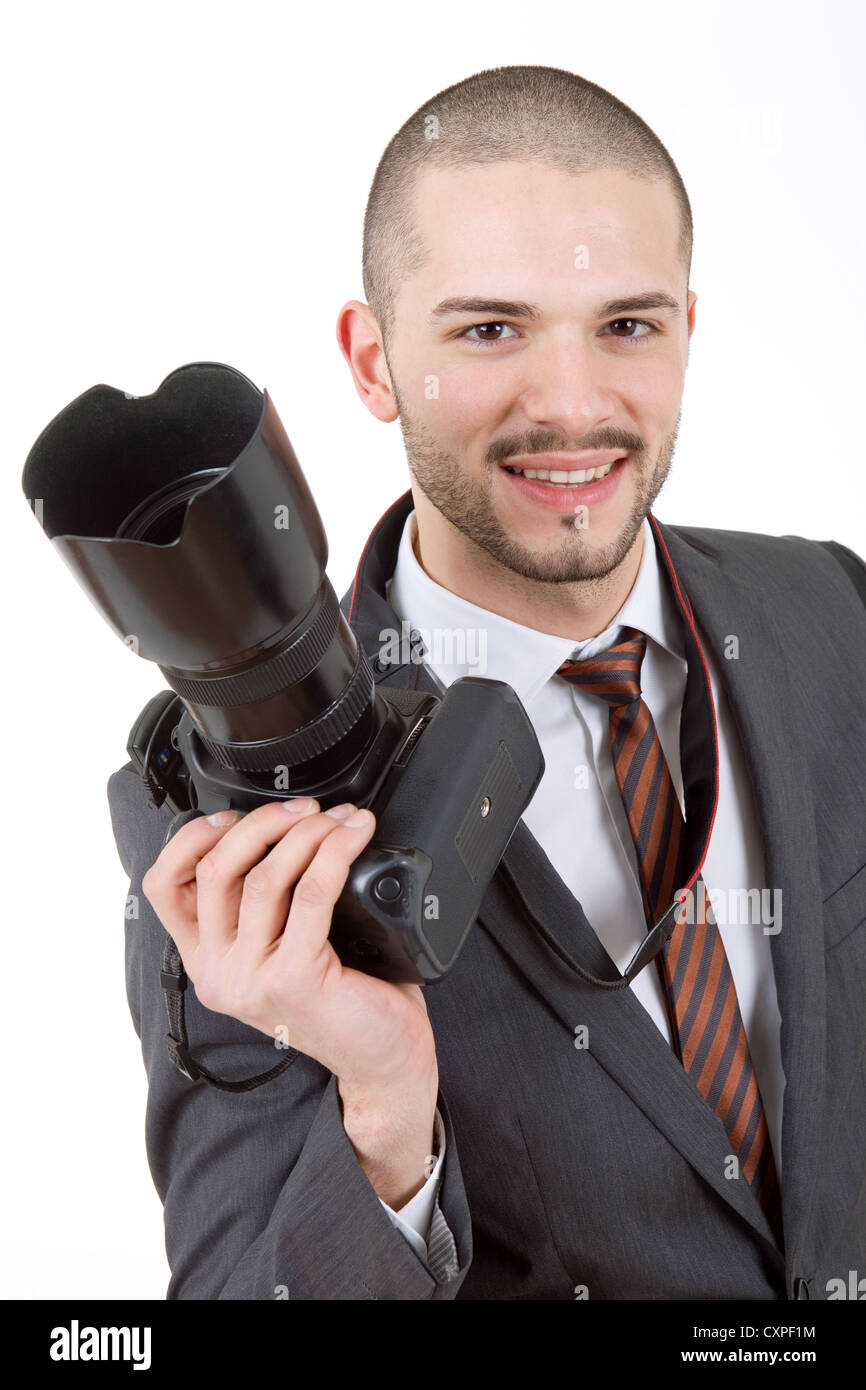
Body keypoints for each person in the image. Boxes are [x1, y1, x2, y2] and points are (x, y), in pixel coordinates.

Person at [107, 64, 866, 1300]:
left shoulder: (830, 606)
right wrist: (388, 1118)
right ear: (370, 360)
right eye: (488, 329)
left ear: (686, 330)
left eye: (625, 325)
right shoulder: (227, 818)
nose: (571, 408)